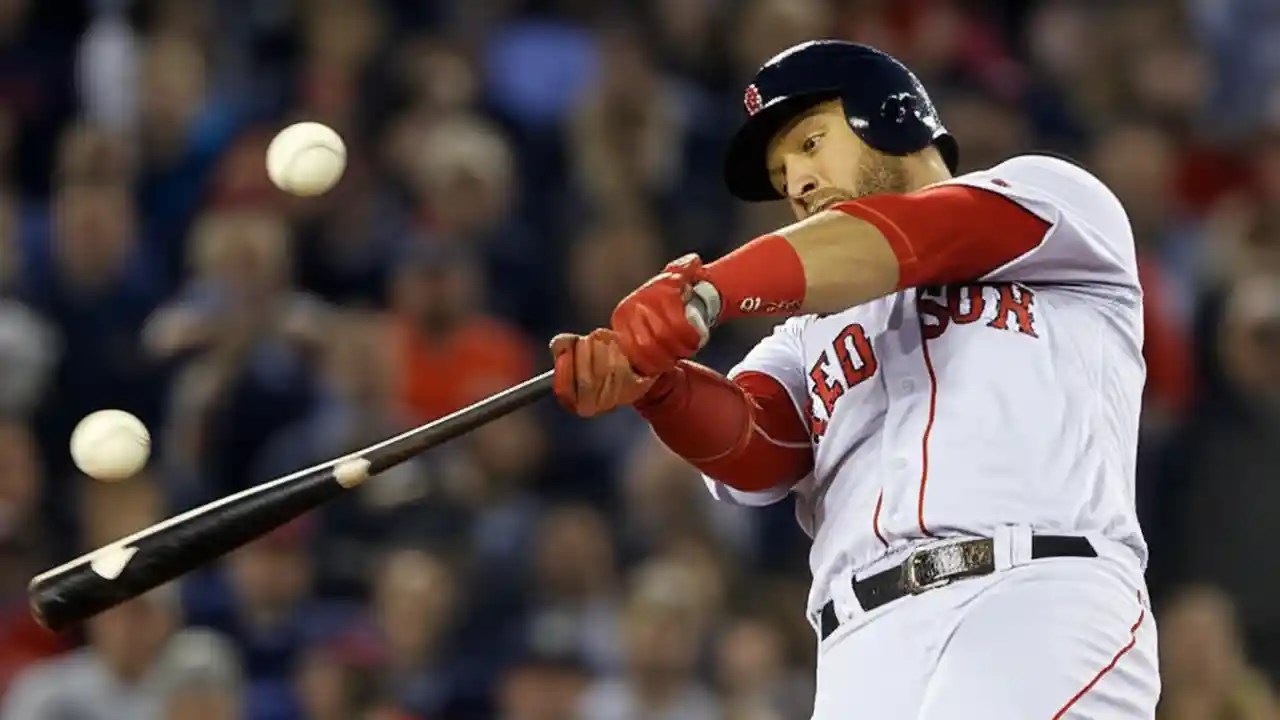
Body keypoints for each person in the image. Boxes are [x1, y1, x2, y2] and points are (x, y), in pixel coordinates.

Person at [550, 40, 1159, 717]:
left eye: (810, 145)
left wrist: (708, 292)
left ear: (890, 116)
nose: (799, 185)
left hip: (1032, 598)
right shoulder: (806, 333)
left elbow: (916, 235)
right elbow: (760, 450)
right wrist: (660, 388)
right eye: (783, 180)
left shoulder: (1053, 200)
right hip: (858, 645)